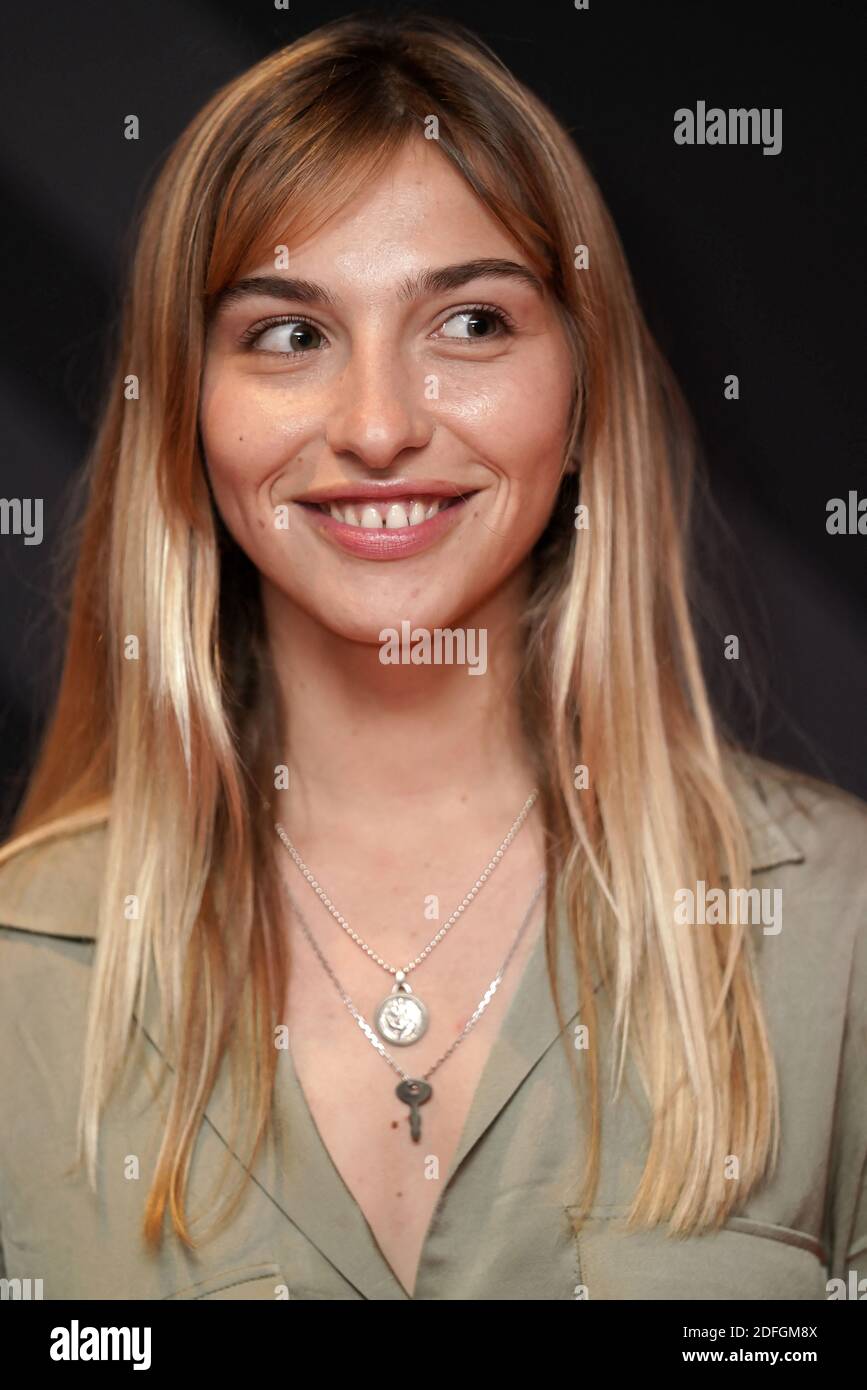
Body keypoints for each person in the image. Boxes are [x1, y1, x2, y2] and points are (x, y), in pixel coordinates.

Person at [0, 12, 864, 1302]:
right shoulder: (19, 967)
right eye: (289, 333)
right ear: (187, 414)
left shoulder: (840, 932)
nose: (381, 427)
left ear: (583, 396)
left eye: (469, 322)